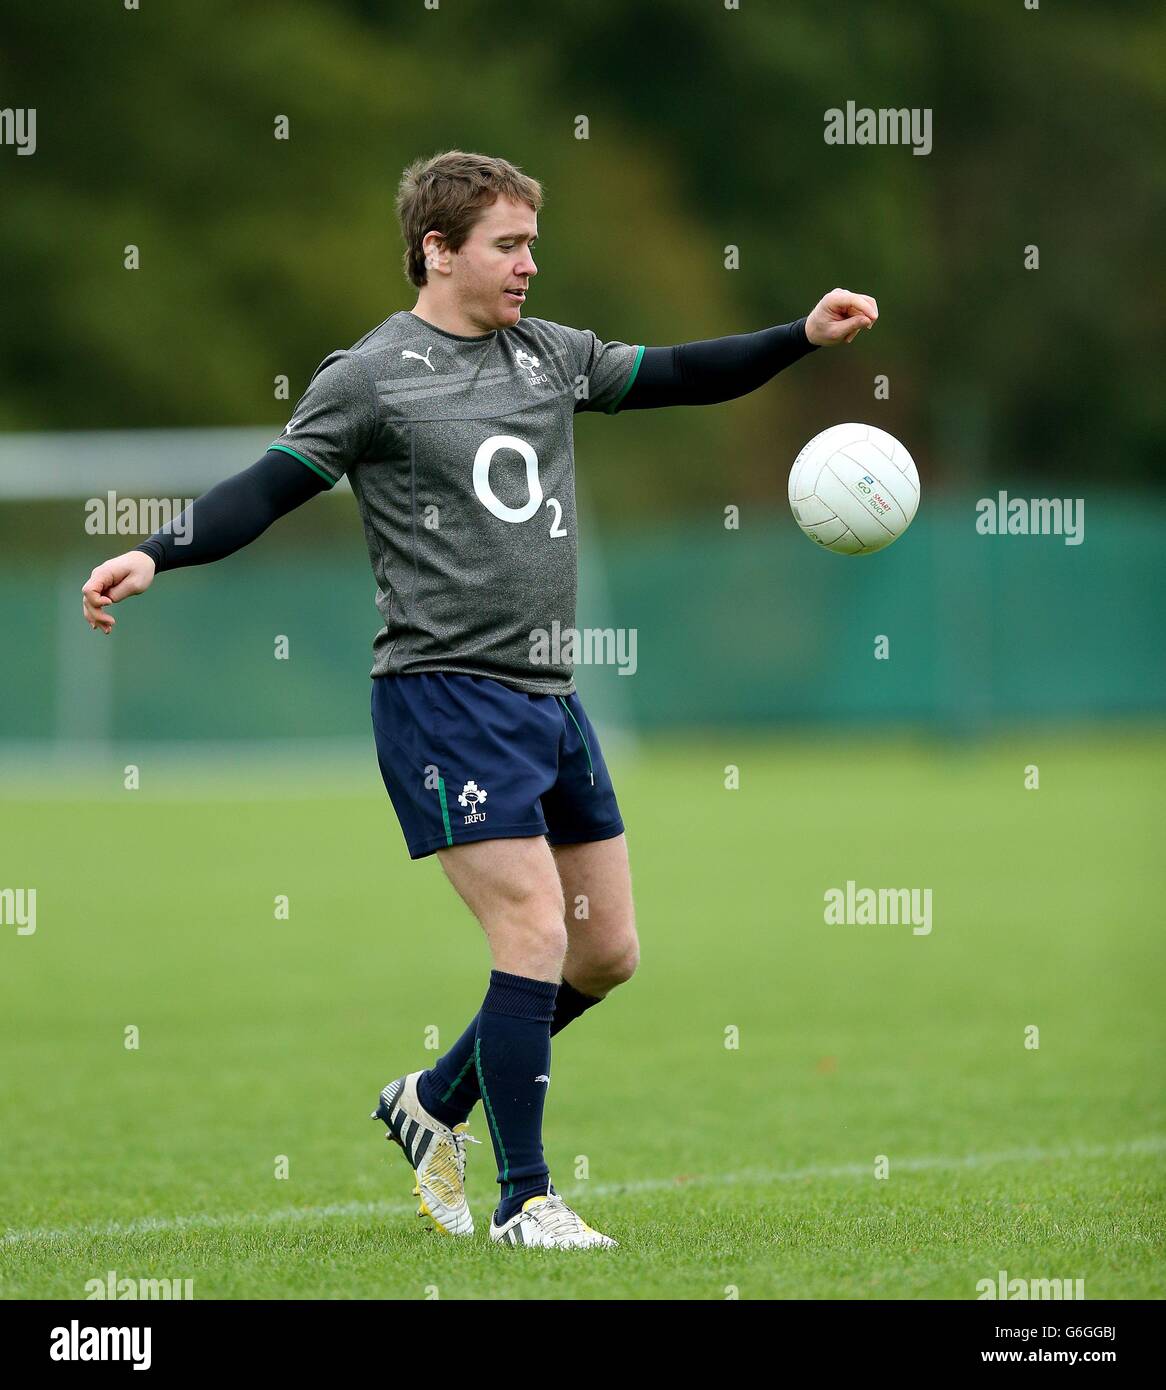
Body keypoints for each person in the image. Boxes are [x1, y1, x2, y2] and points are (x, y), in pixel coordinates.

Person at [81, 149, 877, 1249]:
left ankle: (429, 1100)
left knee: (605, 954)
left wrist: (799, 336)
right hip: (442, 694)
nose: (527, 266)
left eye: (530, 245)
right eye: (506, 246)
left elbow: (678, 373)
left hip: (548, 694)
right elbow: (264, 489)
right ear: (436, 250)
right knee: (533, 930)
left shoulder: (546, 354)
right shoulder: (369, 377)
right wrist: (155, 554)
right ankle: (527, 1200)